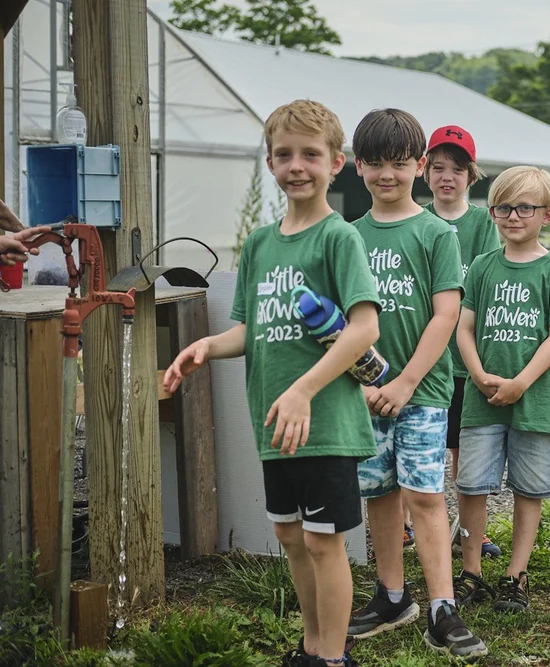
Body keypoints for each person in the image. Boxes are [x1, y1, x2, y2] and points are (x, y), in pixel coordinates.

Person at [163, 100, 378, 667]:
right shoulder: (259, 244)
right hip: (274, 423)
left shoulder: (339, 238)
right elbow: (251, 330)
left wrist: (305, 389)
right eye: (284, 154)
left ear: (338, 163)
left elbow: (363, 330)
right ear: (269, 163)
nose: (297, 165)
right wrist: (208, 346)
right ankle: (311, 645)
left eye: (311, 154)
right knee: (291, 538)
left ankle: (332, 657)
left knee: (325, 542)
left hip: (326, 422)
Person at [348, 108, 488, 662]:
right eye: (376, 163)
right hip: (363, 393)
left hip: (424, 392)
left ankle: (441, 608)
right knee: (379, 493)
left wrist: (406, 381)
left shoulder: (434, 232)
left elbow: (445, 314)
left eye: (400, 163)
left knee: (426, 495)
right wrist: (361, 384)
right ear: (358, 167)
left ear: (419, 165)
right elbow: (341, 321)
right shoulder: (347, 236)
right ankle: (392, 594)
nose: (388, 174)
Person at [452, 166, 550, 613]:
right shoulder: (484, 267)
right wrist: (478, 374)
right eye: (503, 207)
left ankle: (515, 575)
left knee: (528, 490)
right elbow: (464, 327)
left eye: (524, 207)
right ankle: (471, 573)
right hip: (481, 400)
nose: (512, 216)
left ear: (546, 214)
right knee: (471, 485)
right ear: (492, 213)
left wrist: (521, 382)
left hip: (536, 401)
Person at [422, 124, 502, 559]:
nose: (446, 176)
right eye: (437, 167)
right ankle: (405, 525)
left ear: (472, 175)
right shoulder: (417, 220)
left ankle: (472, 529)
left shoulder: (482, 224)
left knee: (467, 451)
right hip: (425, 360)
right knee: (422, 446)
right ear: (424, 172)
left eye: (456, 168)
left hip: (467, 360)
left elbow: (490, 282)